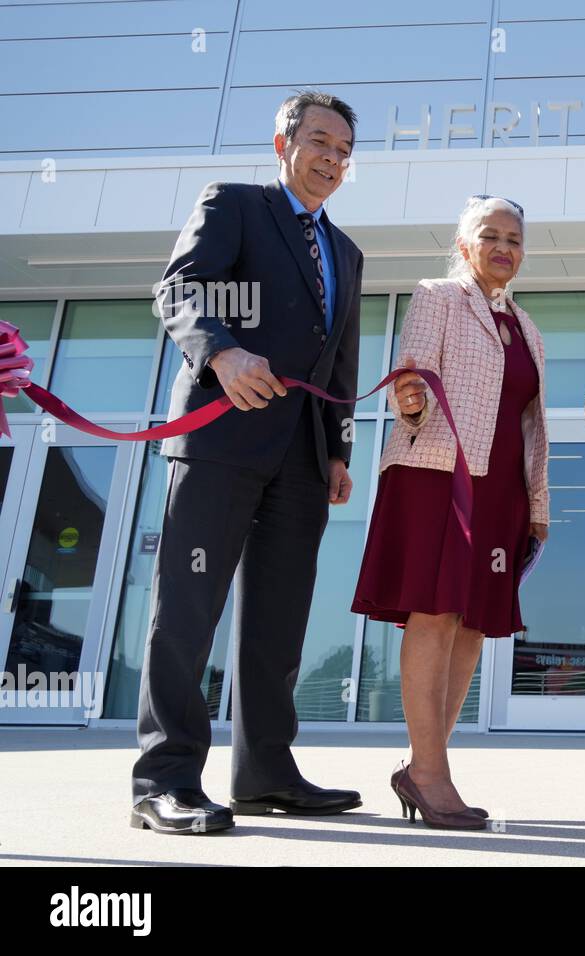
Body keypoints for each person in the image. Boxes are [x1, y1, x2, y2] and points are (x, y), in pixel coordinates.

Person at [131, 92, 364, 834]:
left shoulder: (348, 252)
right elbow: (180, 288)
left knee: (280, 620)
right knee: (188, 608)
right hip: (221, 439)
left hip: (301, 456)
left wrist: (337, 450)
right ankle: (163, 778)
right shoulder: (233, 204)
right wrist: (222, 351)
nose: (332, 157)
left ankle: (266, 771)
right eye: (320, 141)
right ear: (283, 143)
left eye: (343, 150)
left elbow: (342, 363)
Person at [352, 195, 549, 828]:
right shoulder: (438, 295)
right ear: (464, 245)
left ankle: (424, 765)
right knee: (433, 616)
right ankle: (431, 776)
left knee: (471, 625)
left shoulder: (529, 328)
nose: (504, 248)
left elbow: (532, 426)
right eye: (490, 236)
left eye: (515, 240)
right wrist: (409, 402)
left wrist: (536, 504)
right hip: (437, 474)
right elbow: (415, 374)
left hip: (502, 490)